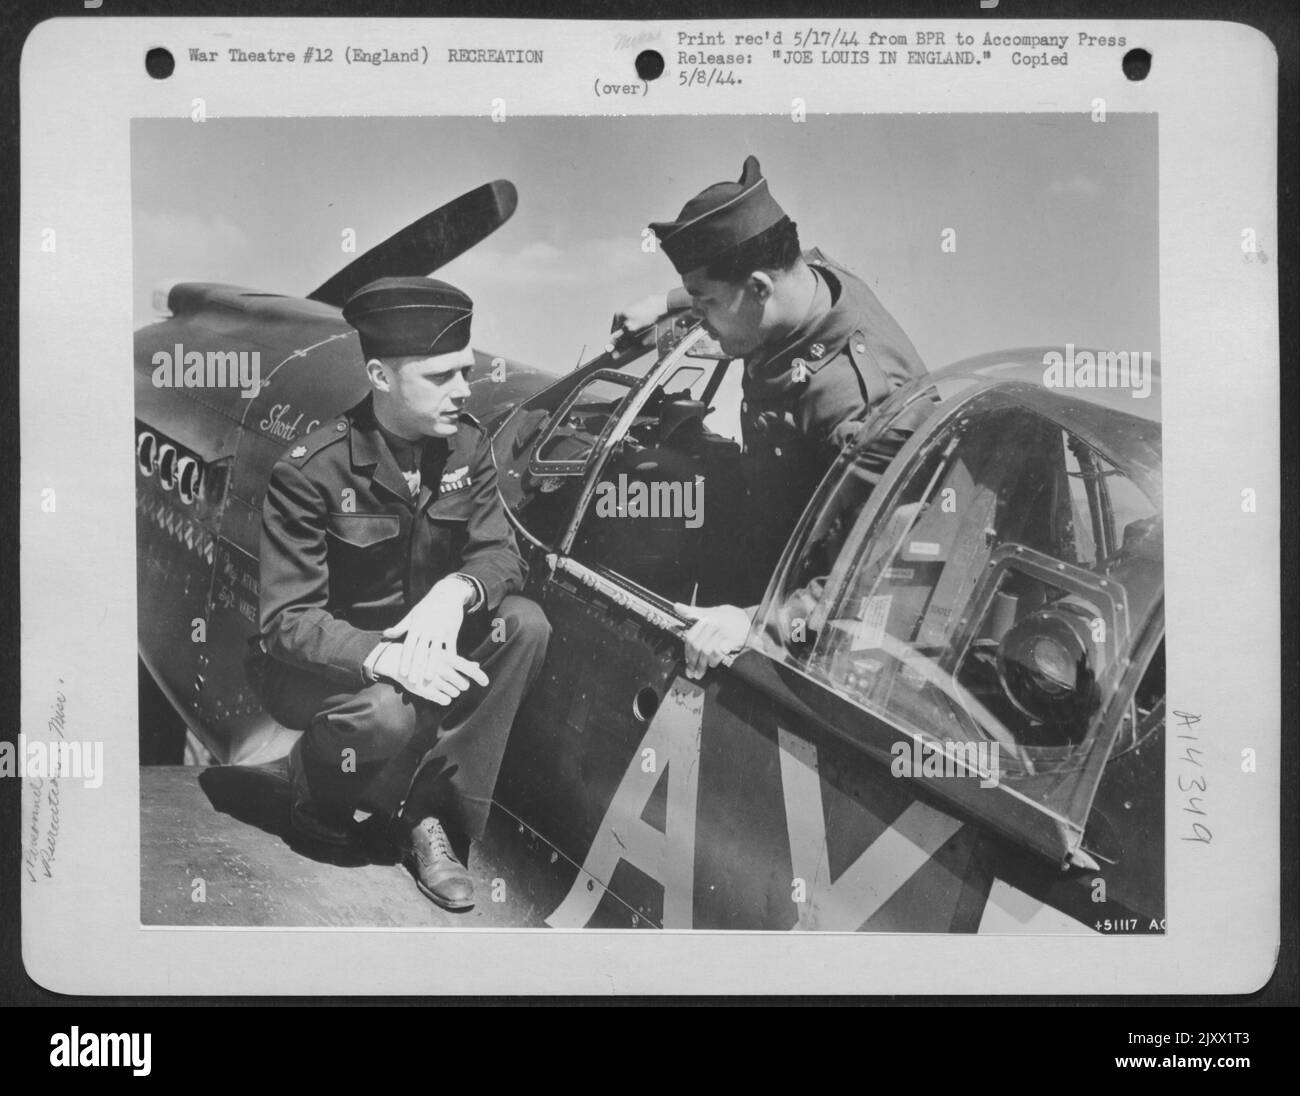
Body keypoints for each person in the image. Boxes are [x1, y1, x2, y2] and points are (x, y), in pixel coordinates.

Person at [248, 276, 551, 911]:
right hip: (330, 666)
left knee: (524, 623)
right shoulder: (312, 471)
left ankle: (428, 818)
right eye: (440, 377)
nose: (464, 391)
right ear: (382, 378)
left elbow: (501, 554)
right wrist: (383, 657)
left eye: (464, 371)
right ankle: (317, 783)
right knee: (388, 711)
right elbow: (286, 622)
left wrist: (457, 590)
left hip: (430, 644)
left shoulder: (466, 446)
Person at [613, 155, 928, 678]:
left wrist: (755, 624)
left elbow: (878, 574)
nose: (702, 319)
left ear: (759, 289)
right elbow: (766, 269)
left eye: (704, 301)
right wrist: (667, 303)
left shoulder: (867, 405)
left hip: (811, 610)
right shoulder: (800, 280)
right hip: (773, 512)